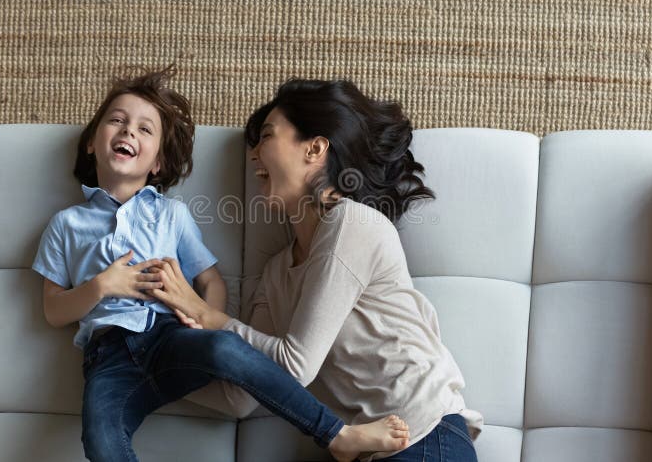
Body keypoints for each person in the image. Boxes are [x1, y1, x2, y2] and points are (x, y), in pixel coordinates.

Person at [31, 66, 412, 462]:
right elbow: (53, 310)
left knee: (226, 349)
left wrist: (203, 316)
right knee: (99, 434)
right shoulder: (65, 224)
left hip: (168, 337)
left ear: (158, 163)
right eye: (117, 121)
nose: (128, 132)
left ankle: (334, 434)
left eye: (145, 129)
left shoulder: (171, 215)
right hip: (108, 356)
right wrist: (101, 287)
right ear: (91, 142)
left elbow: (210, 279)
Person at [150, 78, 484, 461]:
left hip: (425, 437)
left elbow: (296, 365)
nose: (254, 154)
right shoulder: (277, 273)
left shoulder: (352, 224)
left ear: (315, 148)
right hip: (373, 450)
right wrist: (148, 371)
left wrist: (204, 312)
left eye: (268, 137)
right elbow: (241, 396)